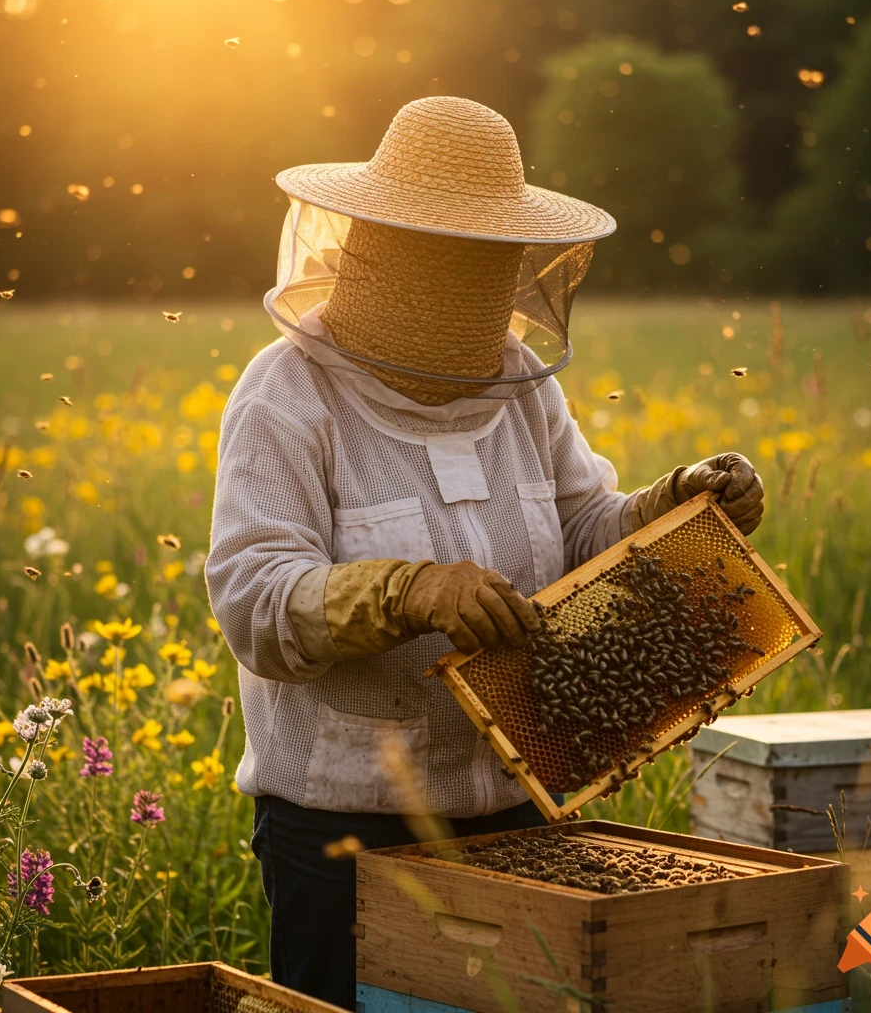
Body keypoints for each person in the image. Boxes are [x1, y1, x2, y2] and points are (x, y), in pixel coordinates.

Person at [205, 96, 764, 1008]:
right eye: (451, 251)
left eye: (488, 256)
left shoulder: (517, 384)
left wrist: (675, 507)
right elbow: (256, 605)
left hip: (515, 813)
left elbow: (586, 534)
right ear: (381, 244)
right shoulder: (286, 396)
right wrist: (408, 592)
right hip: (345, 834)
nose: (476, 278)